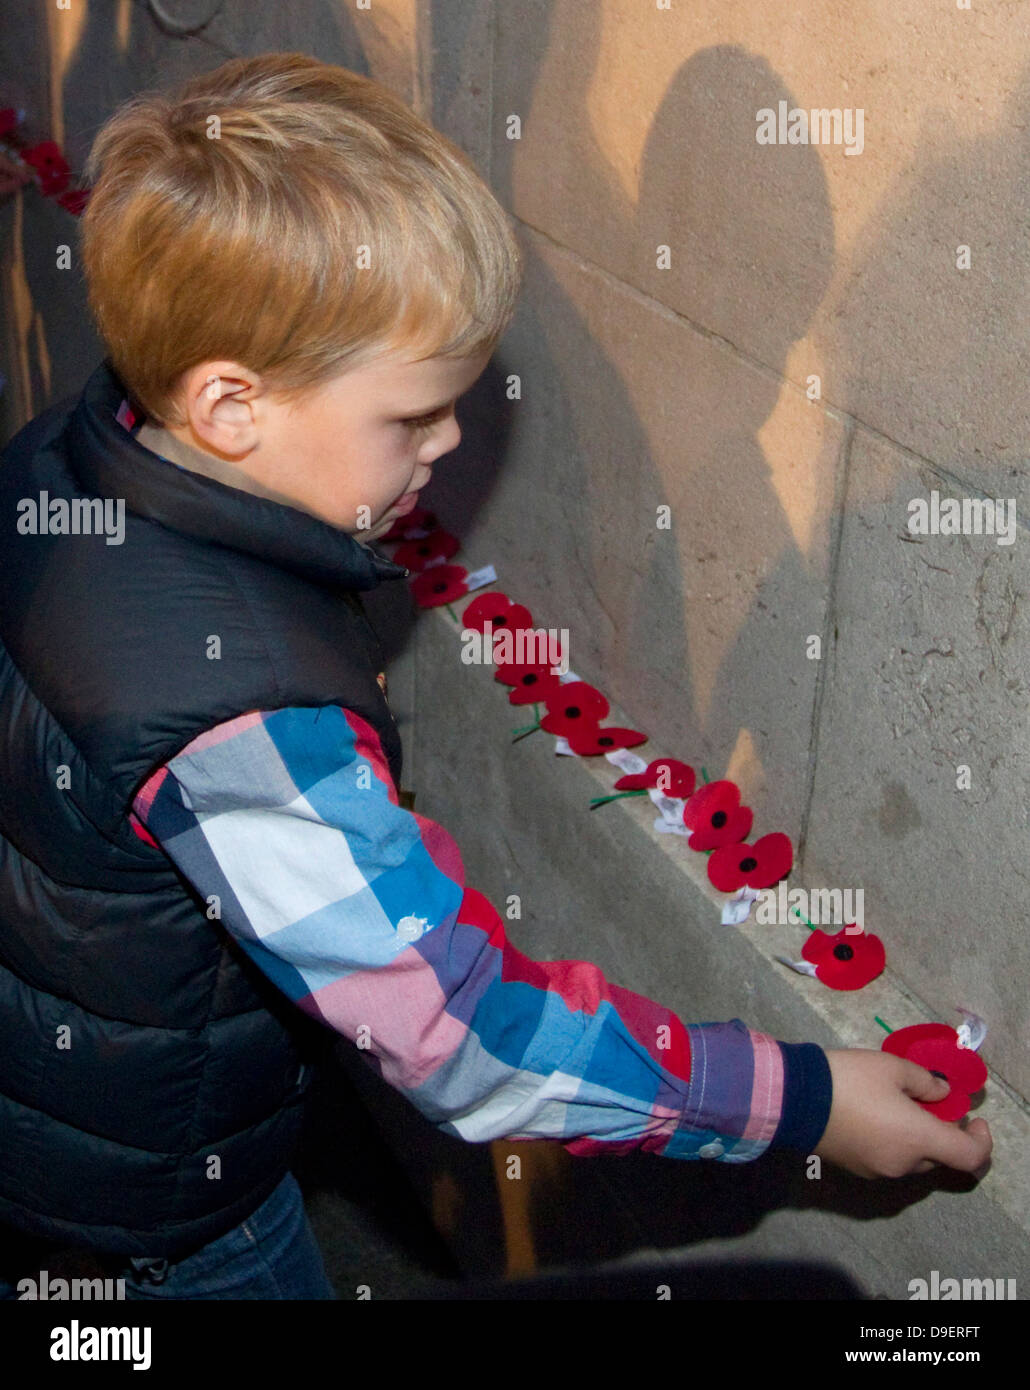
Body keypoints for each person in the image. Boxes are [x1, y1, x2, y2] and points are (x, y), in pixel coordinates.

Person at [0, 52, 991, 1301]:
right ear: (232, 405)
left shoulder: (67, 456)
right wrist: (800, 1098)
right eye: (409, 418)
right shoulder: (245, 723)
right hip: (172, 1220)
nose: (451, 442)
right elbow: (466, 1039)